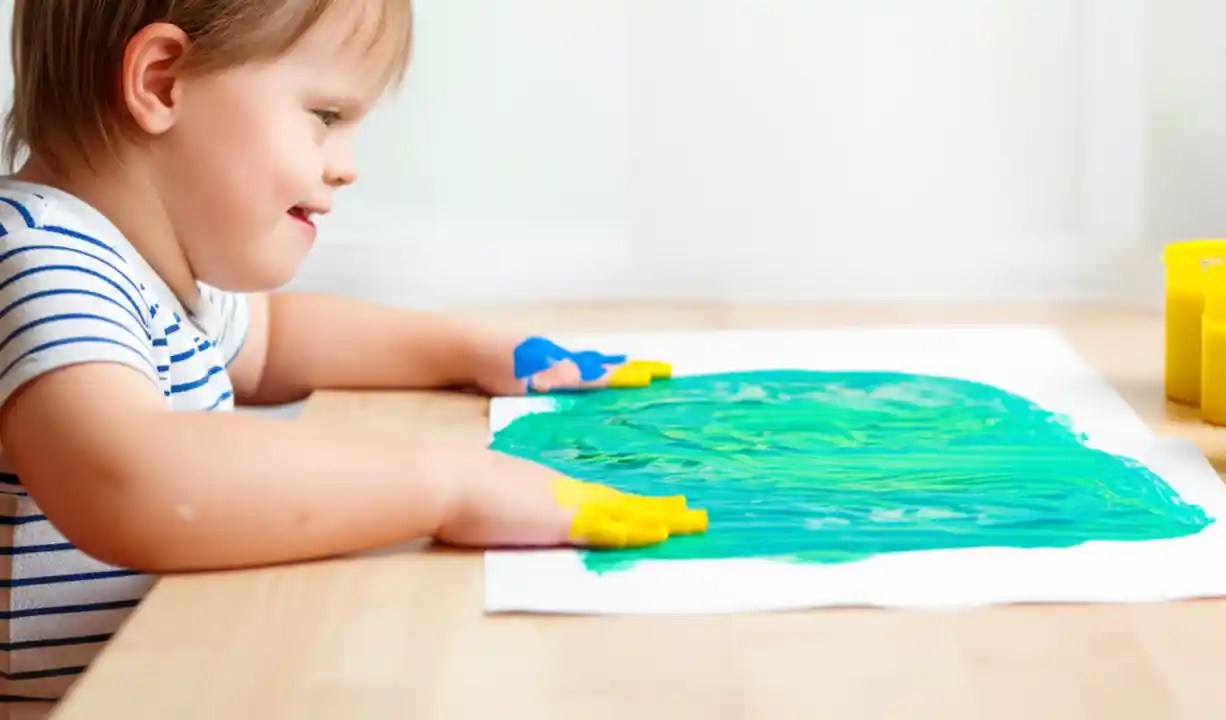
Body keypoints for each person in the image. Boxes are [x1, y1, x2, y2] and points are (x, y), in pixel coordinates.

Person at [0, 0, 706, 704]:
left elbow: (274, 342)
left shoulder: (134, 264)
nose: (347, 168)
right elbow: (131, 479)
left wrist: (467, 350)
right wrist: (450, 488)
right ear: (162, 84)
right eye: (328, 117)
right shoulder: (37, 256)